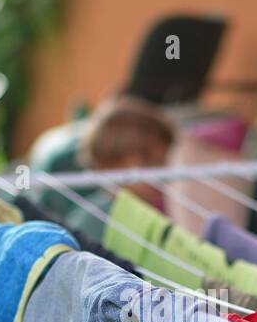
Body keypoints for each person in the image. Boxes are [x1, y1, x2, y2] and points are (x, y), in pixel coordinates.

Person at [58, 96, 175, 240]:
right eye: (159, 163)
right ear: (130, 165)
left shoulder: (150, 209)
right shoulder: (95, 226)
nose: (168, 173)